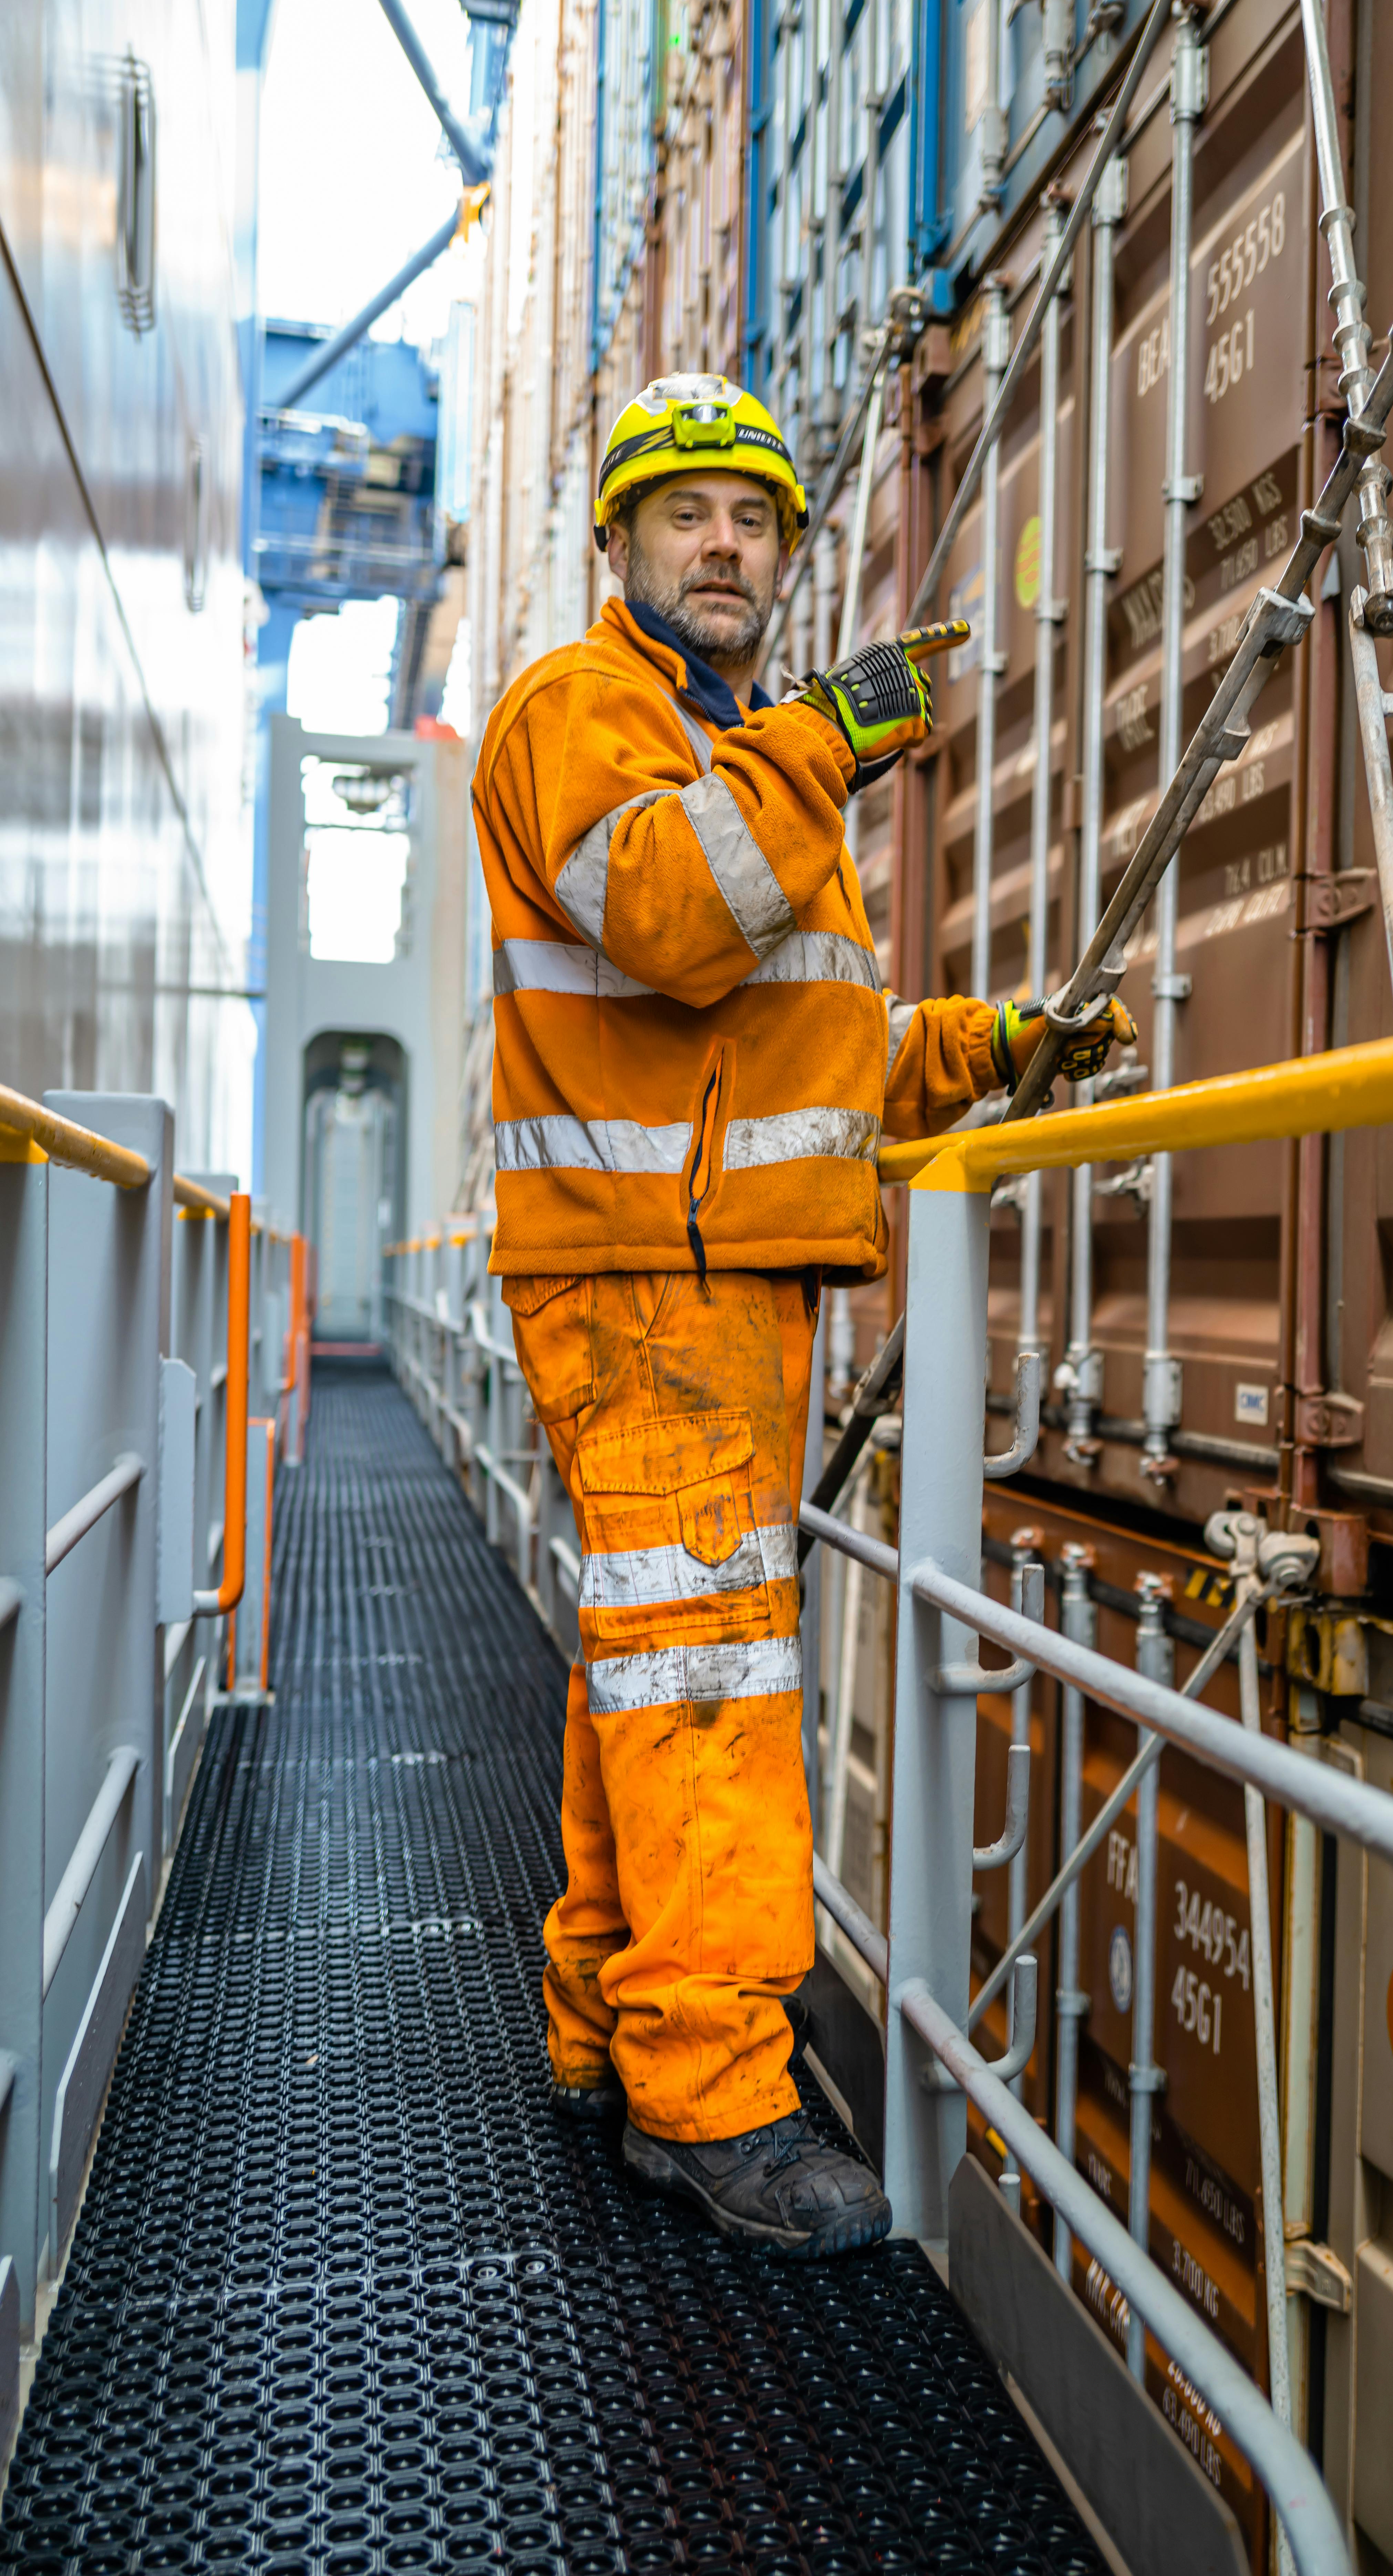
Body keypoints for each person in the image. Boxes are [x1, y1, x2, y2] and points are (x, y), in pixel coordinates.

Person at [470, 372, 1134, 2255]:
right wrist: (826, 746)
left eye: (755, 519)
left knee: (656, 1668)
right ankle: (717, 2094)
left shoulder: (743, 752)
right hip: (649, 1285)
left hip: (719, 1277)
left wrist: (992, 1046)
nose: (726, 545)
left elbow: (803, 1049)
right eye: (687, 513)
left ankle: (611, 2018)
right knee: (710, 1681)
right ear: (621, 543)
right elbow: (675, 920)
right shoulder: (585, 715)